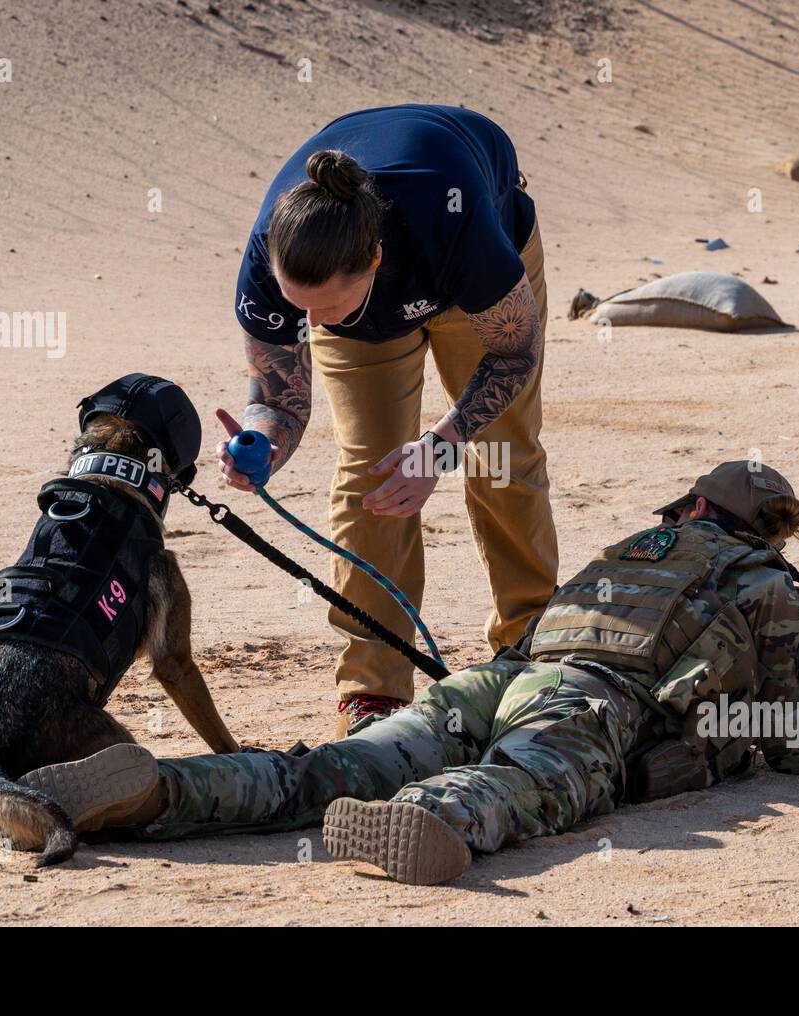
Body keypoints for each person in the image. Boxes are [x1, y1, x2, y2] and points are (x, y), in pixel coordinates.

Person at [19, 461, 799, 885]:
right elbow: (797, 739)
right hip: (584, 704)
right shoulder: (763, 583)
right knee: (523, 783)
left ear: (693, 506)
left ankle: (160, 793)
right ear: (766, 532)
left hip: (488, 682)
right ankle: (437, 816)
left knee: (328, 768)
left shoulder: (632, 548)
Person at [217, 104, 558, 737]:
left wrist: (438, 449)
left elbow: (514, 354)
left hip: (467, 284)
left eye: (324, 308)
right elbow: (280, 394)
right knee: (370, 471)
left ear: (374, 260)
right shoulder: (273, 261)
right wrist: (259, 441)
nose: (310, 327)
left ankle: (530, 644)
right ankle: (374, 686)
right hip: (373, 308)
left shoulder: (456, 228)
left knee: (502, 455)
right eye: (299, 308)